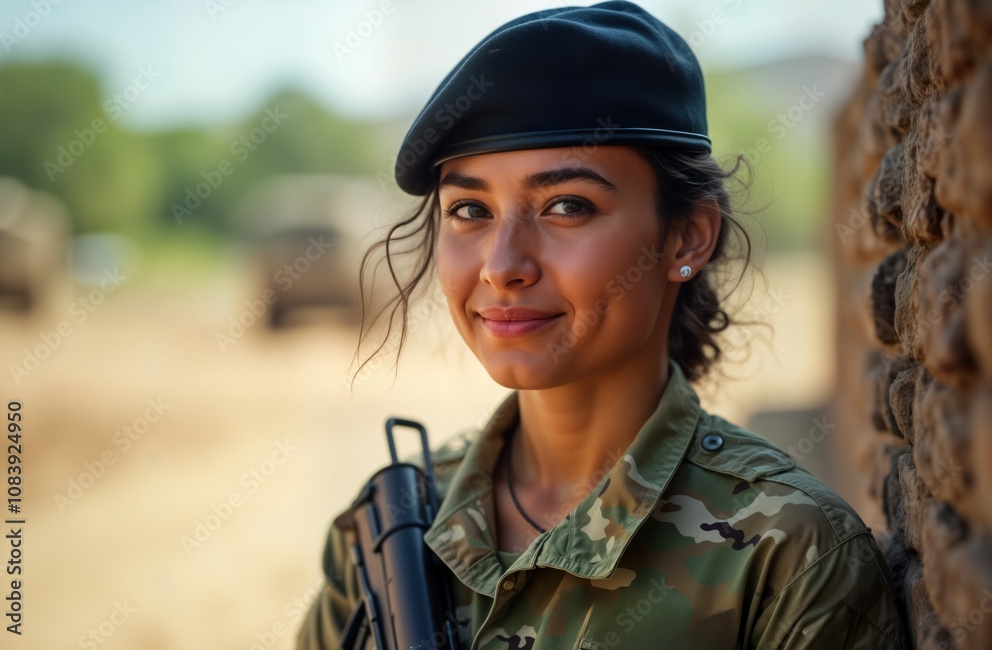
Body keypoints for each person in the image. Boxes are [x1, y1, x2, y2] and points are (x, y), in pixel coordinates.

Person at [298, 2, 911, 648]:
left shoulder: (786, 557)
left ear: (687, 238)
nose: (502, 266)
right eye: (470, 209)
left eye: (567, 206)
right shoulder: (388, 533)